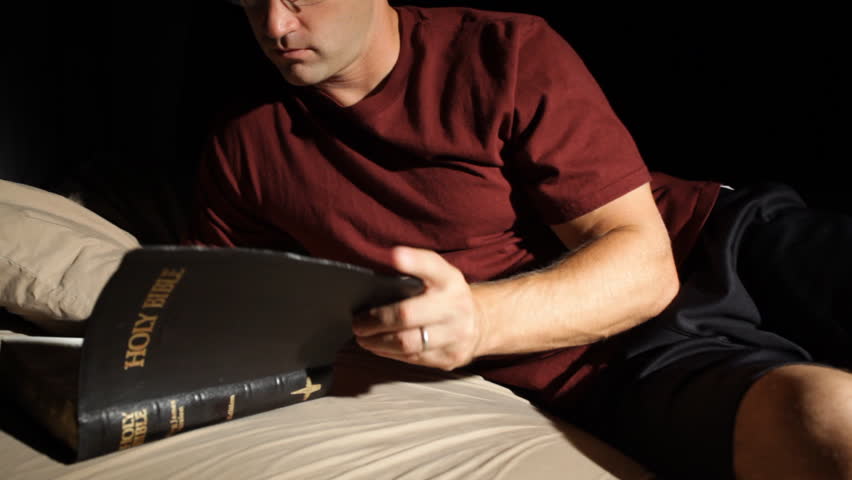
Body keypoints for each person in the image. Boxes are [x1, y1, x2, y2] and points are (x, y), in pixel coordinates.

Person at [185, 0, 852, 478]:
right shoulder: (243, 148)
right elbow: (230, 317)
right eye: (252, 3)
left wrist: (476, 316)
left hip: (711, 238)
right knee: (825, 421)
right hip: (601, 367)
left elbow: (643, 263)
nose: (276, 25)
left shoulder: (500, 52)